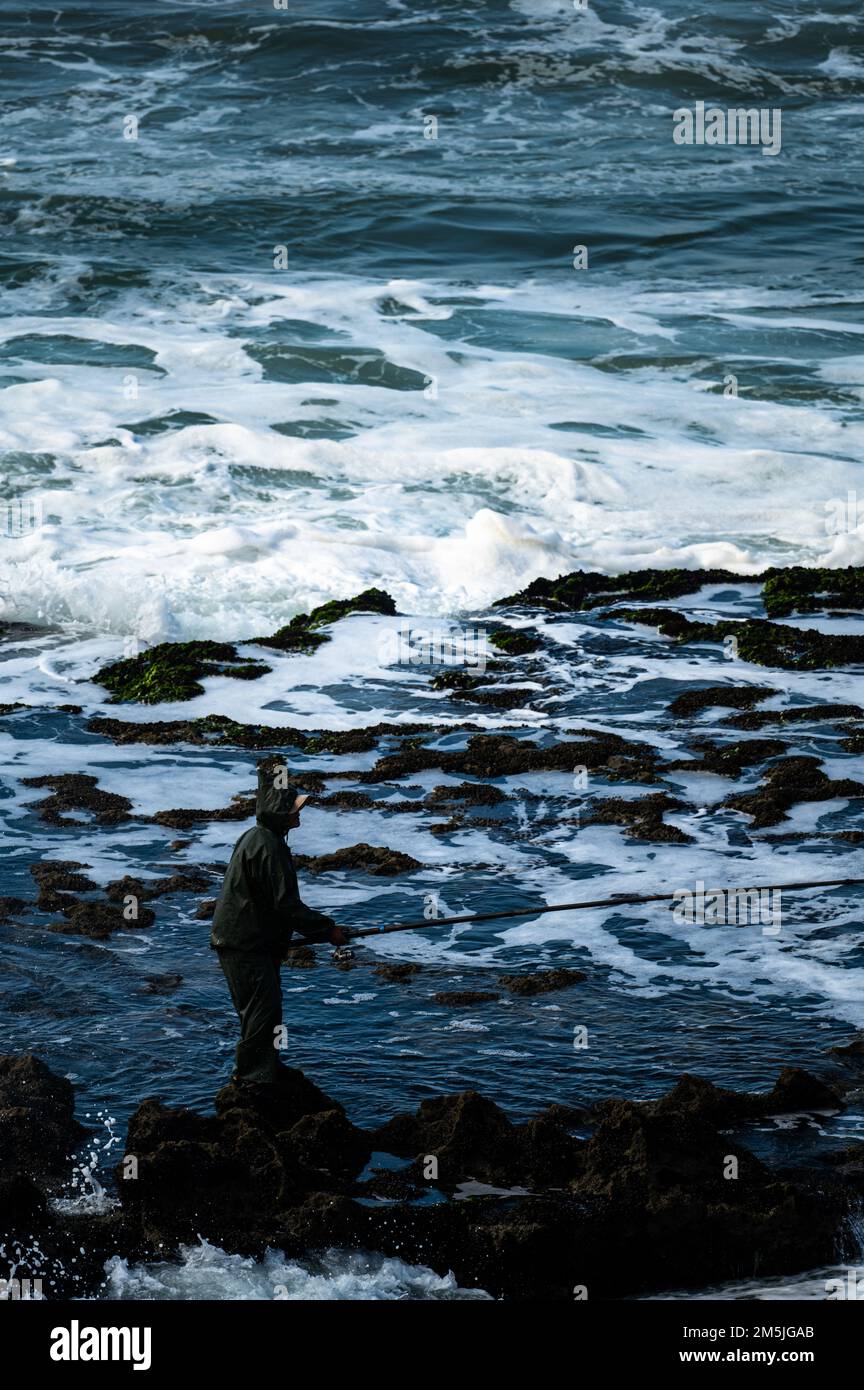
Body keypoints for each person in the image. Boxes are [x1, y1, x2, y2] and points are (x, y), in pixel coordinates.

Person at [210, 764, 348, 1086]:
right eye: (293, 809)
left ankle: (259, 1071)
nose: (298, 815)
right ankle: (253, 1081)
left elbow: (272, 904)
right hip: (245, 944)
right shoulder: (269, 847)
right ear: (278, 813)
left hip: (240, 939)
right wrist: (329, 931)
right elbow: (287, 906)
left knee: (259, 1012)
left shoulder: (256, 837)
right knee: (264, 1012)